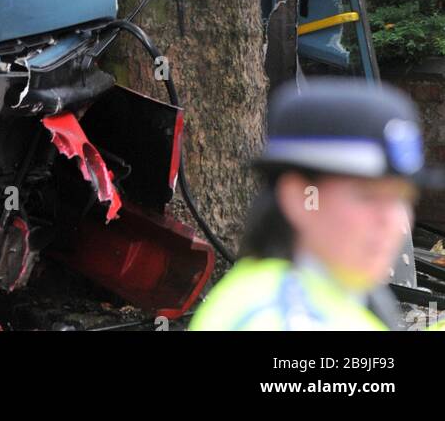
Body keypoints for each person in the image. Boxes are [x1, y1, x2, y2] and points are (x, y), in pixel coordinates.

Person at [189, 77, 441, 331]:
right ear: (300, 198)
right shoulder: (282, 320)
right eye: (368, 196)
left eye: (402, 197)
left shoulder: (333, 292)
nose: (392, 221)